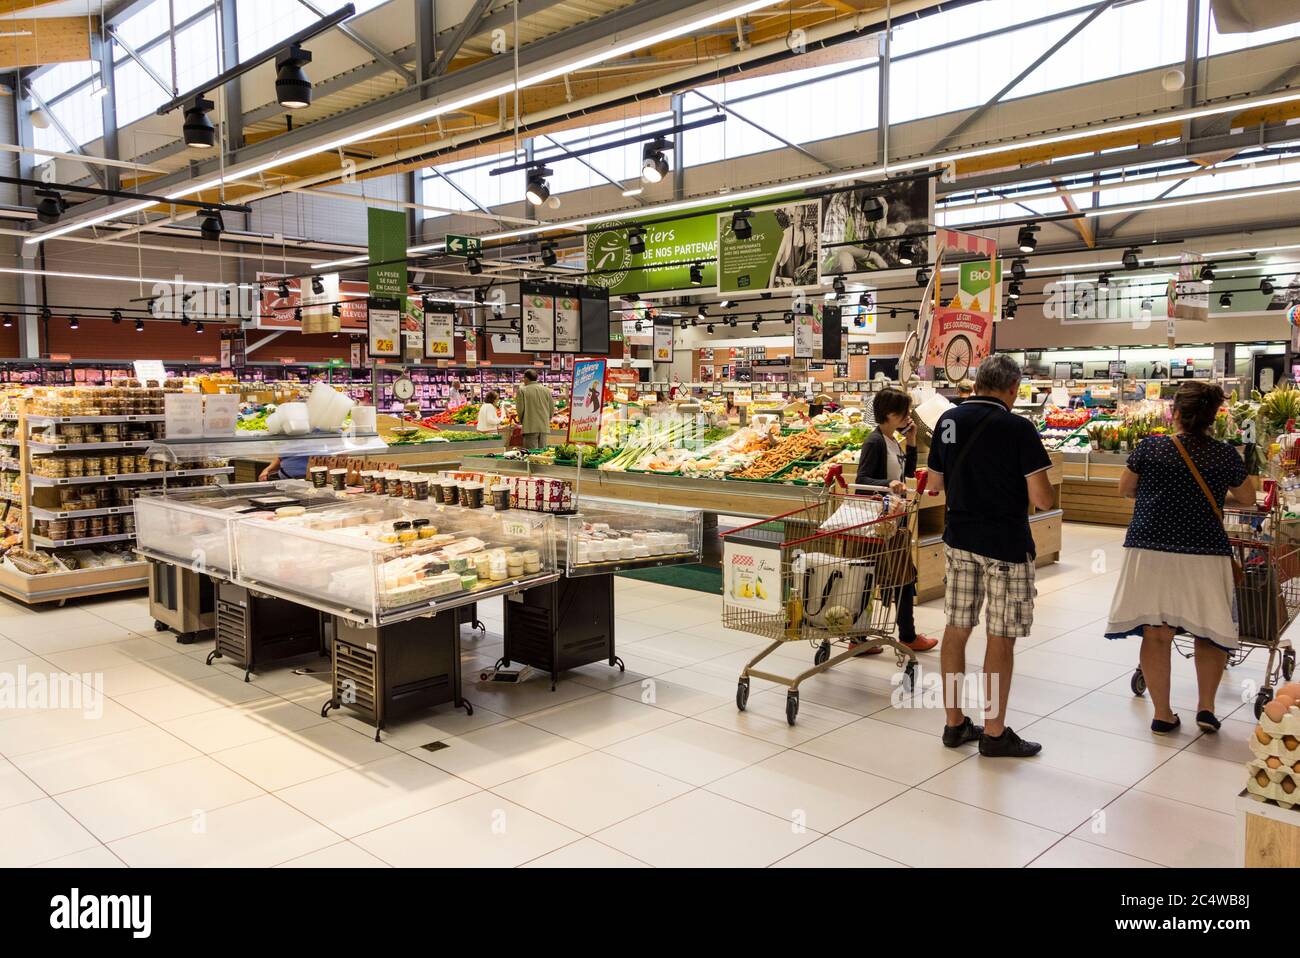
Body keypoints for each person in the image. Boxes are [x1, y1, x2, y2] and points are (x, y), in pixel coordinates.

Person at [1104, 381, 1252, 735]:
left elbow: (1124, 488)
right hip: (1204, 551)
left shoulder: (1150, 447)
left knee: (1156, 632)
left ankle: (1163, 714)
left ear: (1175, 413)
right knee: (1209, 630)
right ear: (1213, 416)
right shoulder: (1224, 454)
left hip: (1150, 548)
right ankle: (1206, 708)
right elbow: (1247, 497)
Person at [926, 353, 1055, 757]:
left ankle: (954, 724)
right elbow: (1042, 497)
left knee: (956, 628)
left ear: (978, 382)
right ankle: (995, 734)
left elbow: (934, 483)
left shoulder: (947, 421)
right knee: (1000, 636)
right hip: (1006, 546)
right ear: (1013, 389)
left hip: (959, 539)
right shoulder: (1019, 428)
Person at [852, 387, 937, 656]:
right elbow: (862, 481)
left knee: (900, 576)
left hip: (891, 520)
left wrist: (911, 442)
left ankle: (898, 635)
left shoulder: (890, 440)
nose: (908, 416)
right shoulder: (874, 441)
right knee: (884, 576)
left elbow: (906, 473)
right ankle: (871, 636)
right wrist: (888, 483)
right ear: (890, 414)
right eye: (905, 412)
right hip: (877, 523)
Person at [515, 368, 553, 450]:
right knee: (542, 454)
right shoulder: (546, 390)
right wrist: (547, 419)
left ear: (526, 378)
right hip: (544, 427)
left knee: (531, 454)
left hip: (530, 427)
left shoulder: (522, 391)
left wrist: (522, 421)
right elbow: (551, 409)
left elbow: (520, 409)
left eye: (523, 378)